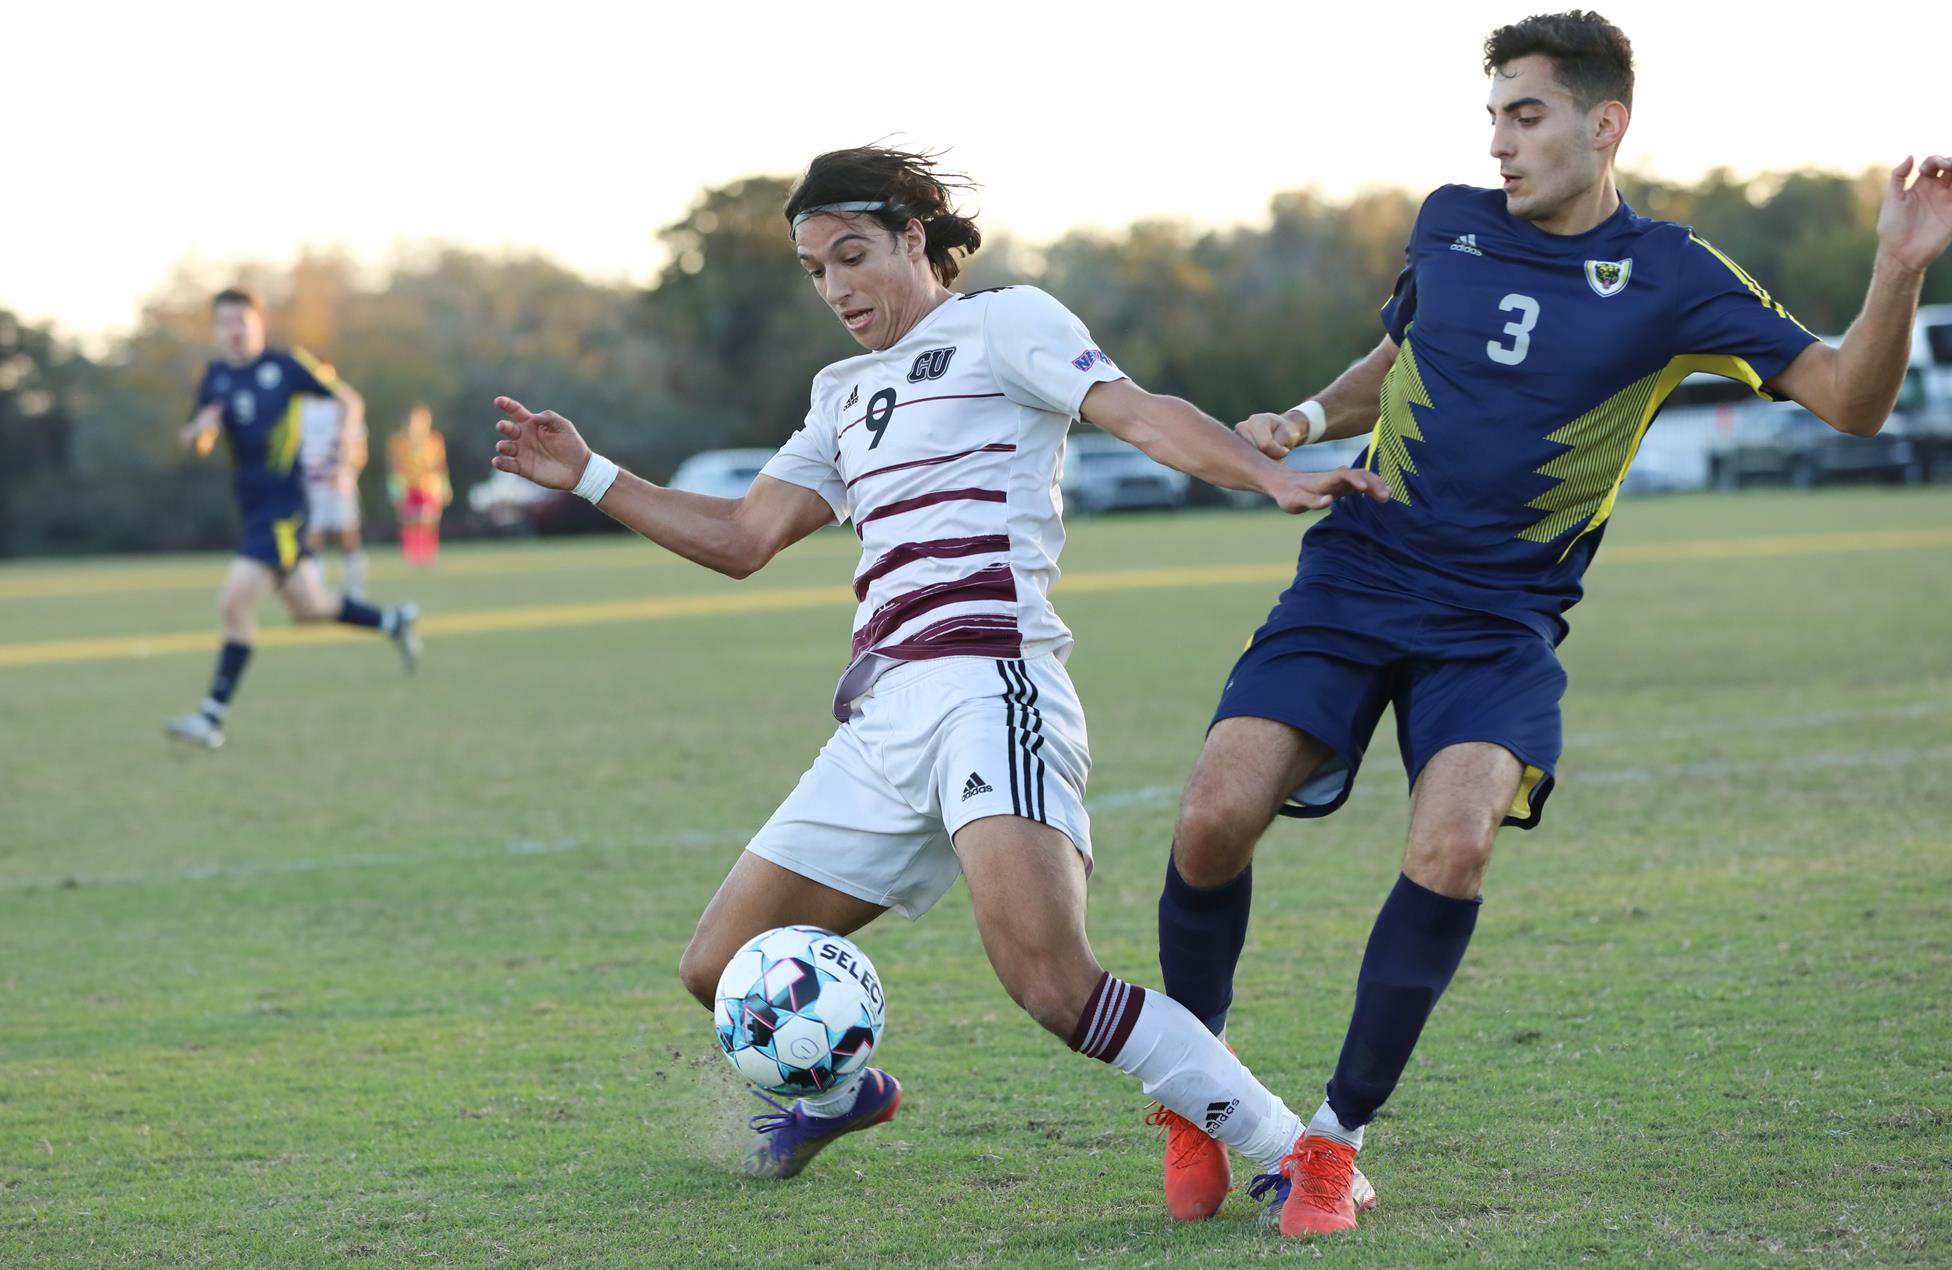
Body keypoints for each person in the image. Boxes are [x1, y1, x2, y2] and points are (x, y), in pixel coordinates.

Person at [1149, 10, 1952, 1238]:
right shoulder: (1445, 221)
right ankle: (1197, 1097)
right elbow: (1399, 349)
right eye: (1491, 117)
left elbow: (1849, 401)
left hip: (1498, 617)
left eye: (1523, 115)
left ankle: (1327, 1143)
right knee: (1211, 815)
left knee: (1454, 845)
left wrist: (1896, 270)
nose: (1499, 143)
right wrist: (1303, 419)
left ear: (1602, 121)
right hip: (1356, 571)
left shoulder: (1679, 276)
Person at [488, 145, 1389, 1206]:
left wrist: (1267, 475)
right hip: (881, 714)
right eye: (814, 269)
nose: (835, 289)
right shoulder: (839, 393)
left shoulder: (1006, 324)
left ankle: (1297, 1153)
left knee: (1052, 985)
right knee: (721, 967)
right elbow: (741, 536)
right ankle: (840, 1097)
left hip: (987, 689)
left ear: (914, 236)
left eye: (852, 256)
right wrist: (590, 473)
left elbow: (1138, 412)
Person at [164, 289, 421, 749]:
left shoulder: (286, 366)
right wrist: (200, 431)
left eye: (242, 320)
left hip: (284, 509)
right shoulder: (216, 378)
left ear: (259, 324)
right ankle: (394, 622)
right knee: (309, 606)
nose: (234, 330)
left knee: (234, 603)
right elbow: (193, 442)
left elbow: (350, 400)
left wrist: (346, 442)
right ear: (216, 329)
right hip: (253, 508)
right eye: (225, 322)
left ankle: (211, 717)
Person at [299, 360, 371, 599]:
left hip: (340, 482)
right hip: (310, 482)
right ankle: (314, 592)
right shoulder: (300, 407)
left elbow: (360, 448)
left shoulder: (344, 406)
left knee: (348, 535)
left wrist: (345, 470)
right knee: (311, 536)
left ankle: (355, 589)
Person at [387, 405, 451, 566]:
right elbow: (394, 466)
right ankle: (412, 556)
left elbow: (440, 465)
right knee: (410, 521)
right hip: (408, 486)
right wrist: (394, 488)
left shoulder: (435, 440)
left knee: (428, 521)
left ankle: (428, 556)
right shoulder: (398, 441)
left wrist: (445, 486)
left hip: (429, 485)